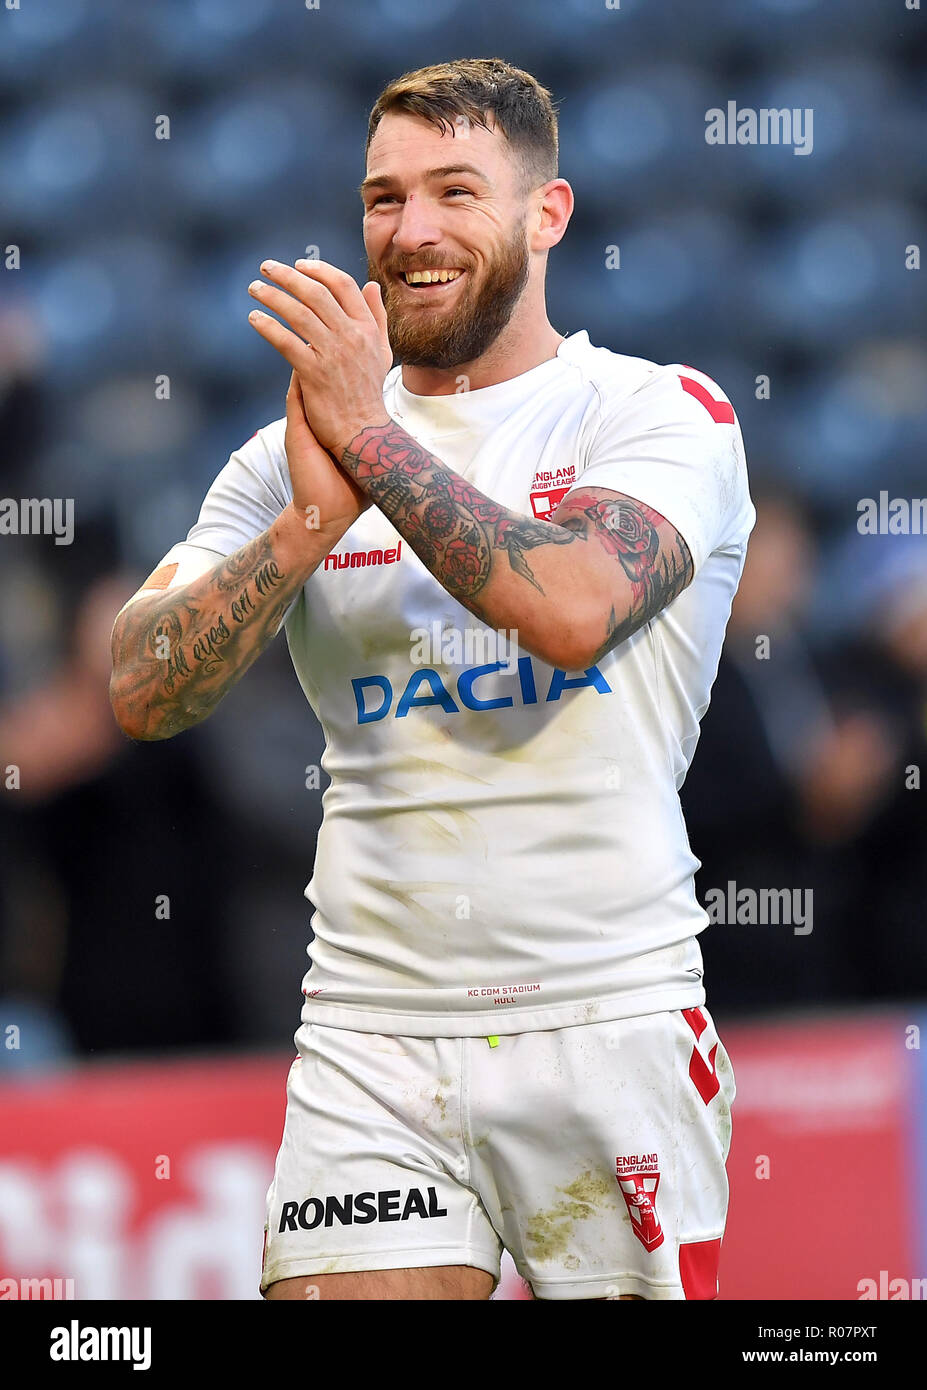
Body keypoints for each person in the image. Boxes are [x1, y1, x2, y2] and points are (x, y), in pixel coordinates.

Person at [110, 58, 754, 1301]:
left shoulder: (659, 413)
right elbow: (141, 690)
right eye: (383, 199)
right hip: (369, 1033)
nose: (411, 233)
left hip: (604, 1017)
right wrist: (304, 527)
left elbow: (569, 610)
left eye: (457, 191)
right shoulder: (289, 456)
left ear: (546, 213)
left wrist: (373, 441)